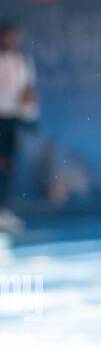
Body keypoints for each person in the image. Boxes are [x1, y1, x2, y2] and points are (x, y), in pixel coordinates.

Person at [0, 22, 38, 232]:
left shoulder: (23, 61)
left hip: (13, 118)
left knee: (8, 164)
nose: (12, 41)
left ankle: (3, 209)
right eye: (8, 36)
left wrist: (29, 113)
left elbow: (28, 90)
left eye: (15, 36)